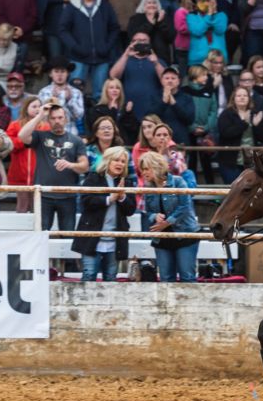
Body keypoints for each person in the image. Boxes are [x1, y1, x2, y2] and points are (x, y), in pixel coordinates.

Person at [18, 102, 88, 230]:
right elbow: (22, 136)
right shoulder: (40, 136)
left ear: (66, 119)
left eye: (60, 117)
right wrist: (39, 116)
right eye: (53, 118)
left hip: (68, 195)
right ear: (48, 120)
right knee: (41, 234)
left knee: (67, 236)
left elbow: (84, 166)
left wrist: (70, 164)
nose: (57, 121)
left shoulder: (76, 140)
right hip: (43, 195)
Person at [73, 146, 137, 282]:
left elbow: (131, 210)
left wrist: (122, 198)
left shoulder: (127, 182)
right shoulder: (93, 178)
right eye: (116, 160)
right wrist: (109, 199)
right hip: (92, 237)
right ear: (107, 161)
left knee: (111, 278)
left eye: (123, 161)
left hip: (115, 240)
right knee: (89, 275)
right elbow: (85, 201)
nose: (120, 164)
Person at [140, 150, 200, 282]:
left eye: (146, 169)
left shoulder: (178, 181)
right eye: (142, 169)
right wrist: (154, 216)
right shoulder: (147, 187)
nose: (143, 173)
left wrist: (167, 222)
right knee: (165, 278)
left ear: (156, 167)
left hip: (184, 235)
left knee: (187, 277)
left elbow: (185, 206)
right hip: (161, 238)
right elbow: (146, 211)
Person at [59, 0, 121, 101]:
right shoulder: (72, 6)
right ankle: (78, 121)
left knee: (100, 95)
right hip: (78, 57)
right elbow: (63, 29)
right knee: (75, 95)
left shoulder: (104, 5)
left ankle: (101, 120)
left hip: (102, 58)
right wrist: (75, 47)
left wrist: (106, 46)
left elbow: (114, 28)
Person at [216, 85, 263, 184]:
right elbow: (226, 133)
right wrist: (244, 123)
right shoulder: (226, 114)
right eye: (239, 96)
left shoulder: (254, 113)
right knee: (234, 191)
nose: (242, 97)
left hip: (251, 162)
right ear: (233, 98)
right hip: (231, 162)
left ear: (249, 98)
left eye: (245, 95)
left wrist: (256, 125)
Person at [5, 96, 46, 212]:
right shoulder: (15, 125)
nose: (37, 109)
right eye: (34, 106)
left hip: (38, 173)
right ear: (26, 108)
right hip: (20, 173)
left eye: (39, 106)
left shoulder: (45, 126)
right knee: (22, 206)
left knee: (37, 207)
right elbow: (10, 144)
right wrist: (26, 140)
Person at [37, 57, 84, 135]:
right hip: (49, 133)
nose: (59, 75)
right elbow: (41, 116)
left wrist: (69, 100)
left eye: (63, 71)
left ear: (68, 73)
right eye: (56, 71)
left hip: (70, 133)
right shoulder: (44, 92)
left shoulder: (76, 92)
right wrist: (53, 100)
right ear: (50, 74)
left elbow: (79, 116)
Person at [186, 0, 228, 67]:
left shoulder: (221, 15)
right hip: (197, 61)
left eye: (209, 0)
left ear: (215, 1)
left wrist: (213, 14)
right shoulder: (191, 16)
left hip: (218, 60)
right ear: (197, 3)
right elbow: (197, 31)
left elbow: (220, 30)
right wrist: (208, 15)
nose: (206, 3)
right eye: (202, 1)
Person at [126, 0, 174, 65]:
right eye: (149, 3)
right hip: (140, 56)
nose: (152, 5)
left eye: (154, 3)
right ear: (143, 5)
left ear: (158, 5)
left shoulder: (164, 18)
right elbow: (133, 36)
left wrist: (160, 22)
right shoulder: (135, 19)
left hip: (161, 57)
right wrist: (150, 23)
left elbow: (170, 37)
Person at [154, 67, 194, 145]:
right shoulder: (154, 96)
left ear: (178, 81)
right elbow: (151, 117)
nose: (170, 80)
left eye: (173, 78)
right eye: (167, 78)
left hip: (180, 141)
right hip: (159, 142)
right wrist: (164, 102)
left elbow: (189, 120)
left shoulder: (187, 98)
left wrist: (174, 103)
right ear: (161, 81)